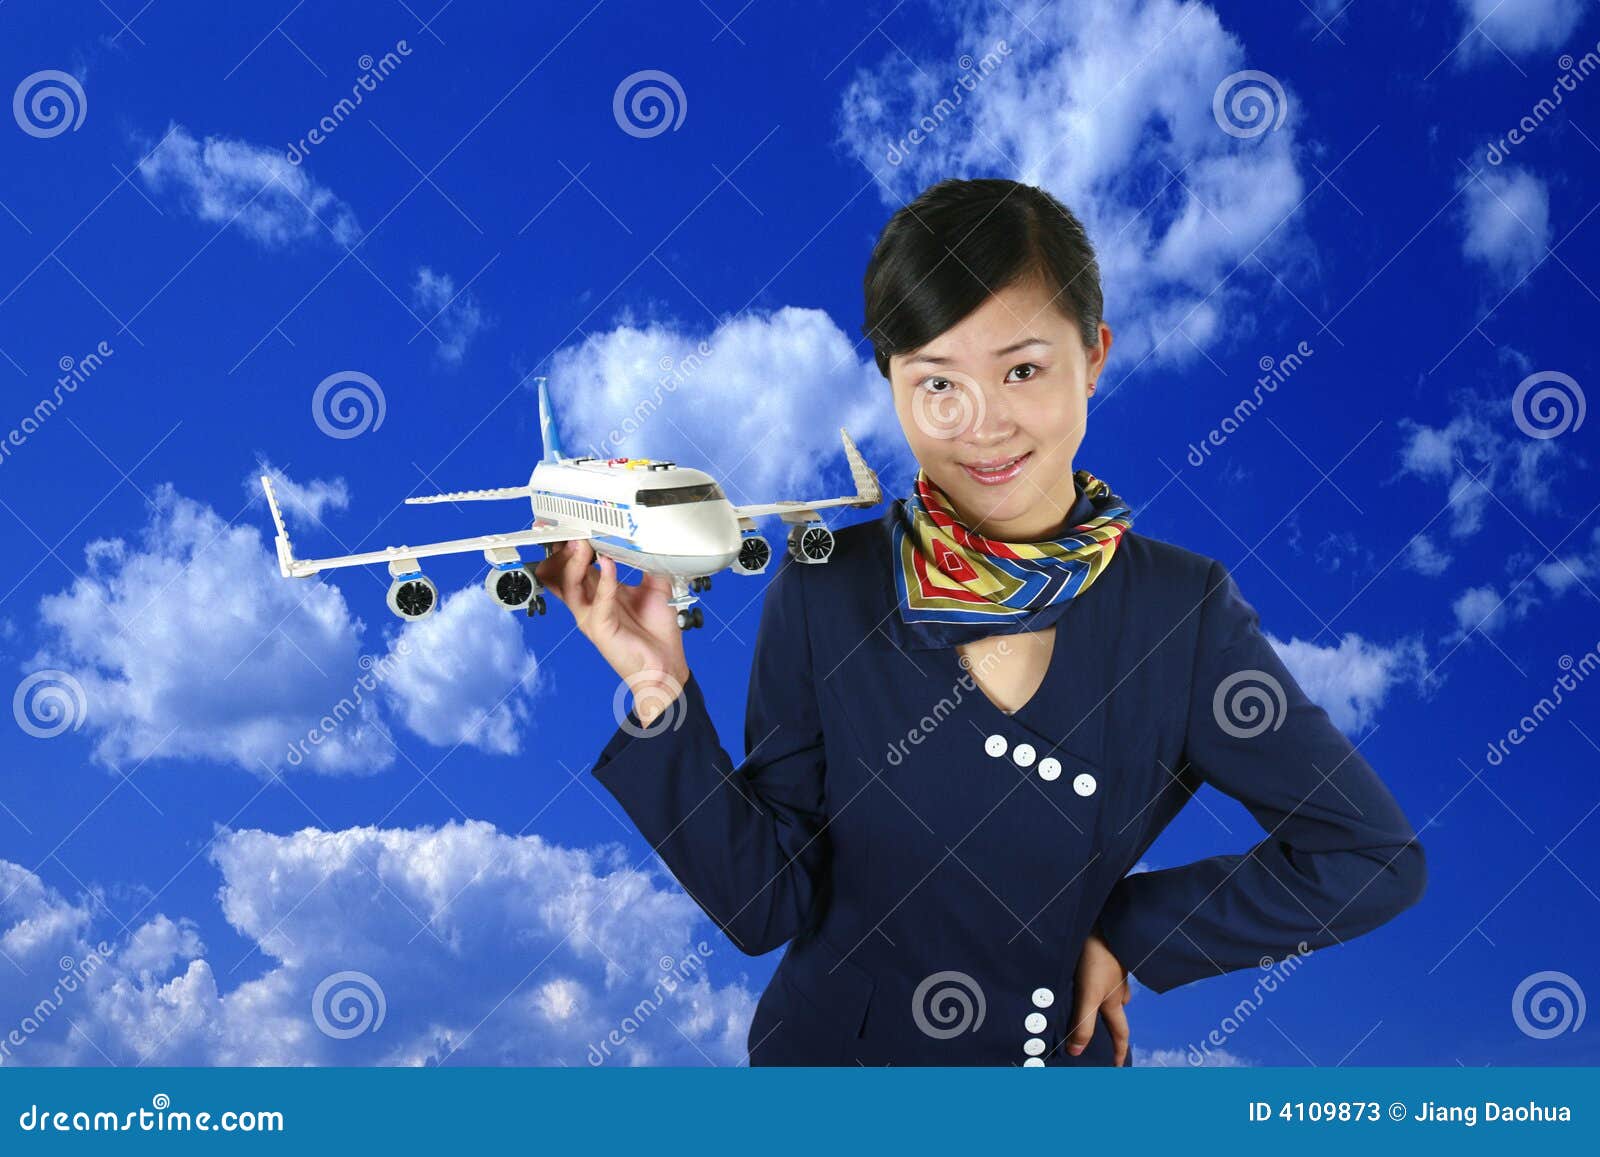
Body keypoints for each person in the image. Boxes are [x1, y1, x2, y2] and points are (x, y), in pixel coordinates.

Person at [534, 177, 1427, 1067]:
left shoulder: (1179, 613)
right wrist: (661, 692)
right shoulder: (826, 588)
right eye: (936, 382)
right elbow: (765, 907)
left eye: (1024, 369)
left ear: (1096, 356)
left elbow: (1365, 853)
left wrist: (1130, 931)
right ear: (891, 384)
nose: (983, 424)